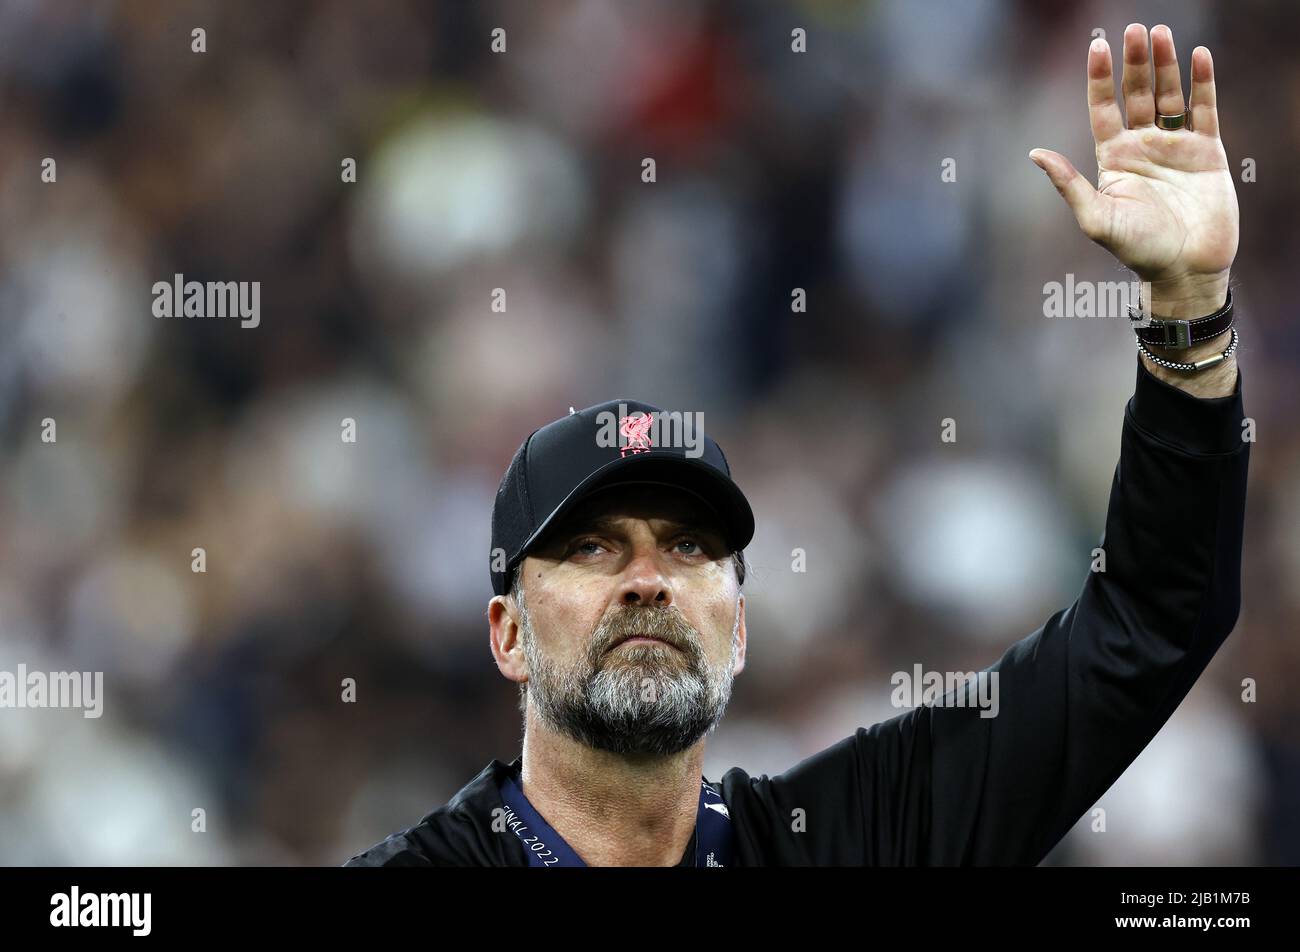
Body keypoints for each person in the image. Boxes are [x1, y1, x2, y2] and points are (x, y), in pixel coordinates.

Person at [346, 23, 1249, 866]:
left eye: (692, 546)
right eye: (592, 546)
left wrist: (1187, 307)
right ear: (507, 632)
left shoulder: (849, 839)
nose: (649, 578)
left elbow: (1150, 622)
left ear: (738, 628)